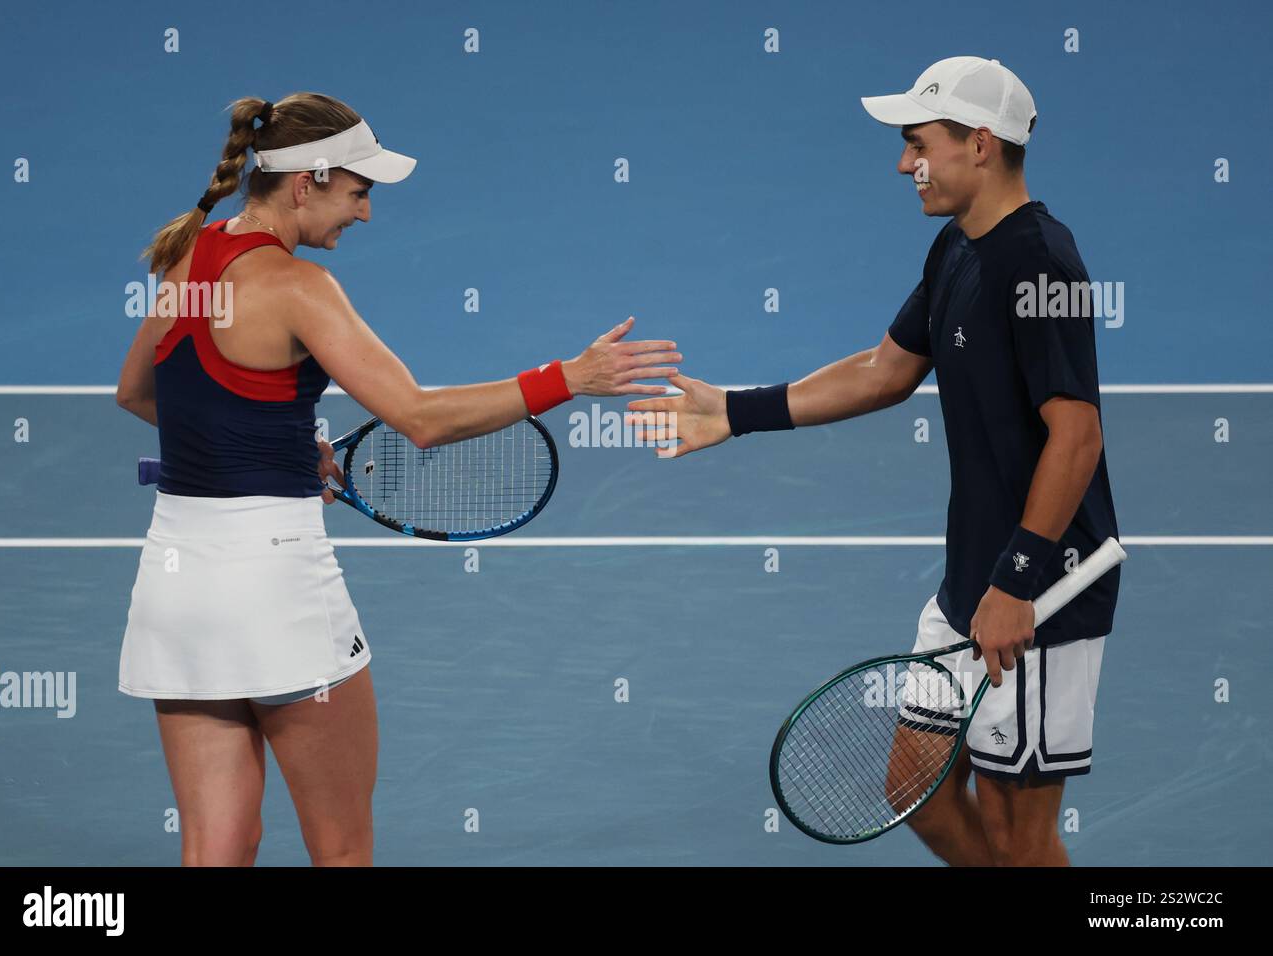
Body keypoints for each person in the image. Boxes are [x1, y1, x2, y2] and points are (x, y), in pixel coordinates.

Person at [115, 92, 680, 866]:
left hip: (174, 589)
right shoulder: (300, 288)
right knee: (342, 849)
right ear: (307, 181)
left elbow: (139, 394)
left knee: (216, 846)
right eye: (359, 191)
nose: (368, 213)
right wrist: (569, 377)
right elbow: (420, 417)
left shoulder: (189, 260)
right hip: (273, 588)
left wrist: (274, 449)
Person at [627, 57, 1119, 866]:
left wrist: (1017, 581)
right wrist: (736, 411)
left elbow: (1078, 436)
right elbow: (884, 370)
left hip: (1041, 587)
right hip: (971, 578)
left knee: (1018, 834)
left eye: (916, 143)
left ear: (981, 145)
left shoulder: (1041, 264)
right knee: (914, 792)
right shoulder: (957, 249)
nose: (903, 164)